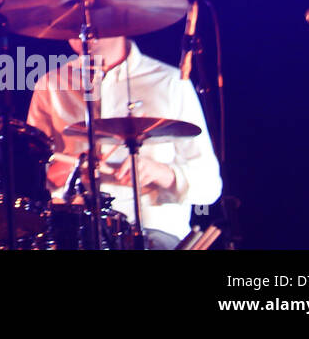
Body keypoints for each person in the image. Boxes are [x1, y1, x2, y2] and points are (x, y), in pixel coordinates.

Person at [26, 36, 222, 249]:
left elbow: (209, 186)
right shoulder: (50, 85)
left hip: (152, 232)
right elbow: (30, 175)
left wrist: (157, 172)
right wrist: (64, 170)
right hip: (74, 231)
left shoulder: (170, 82)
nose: (81, 28)